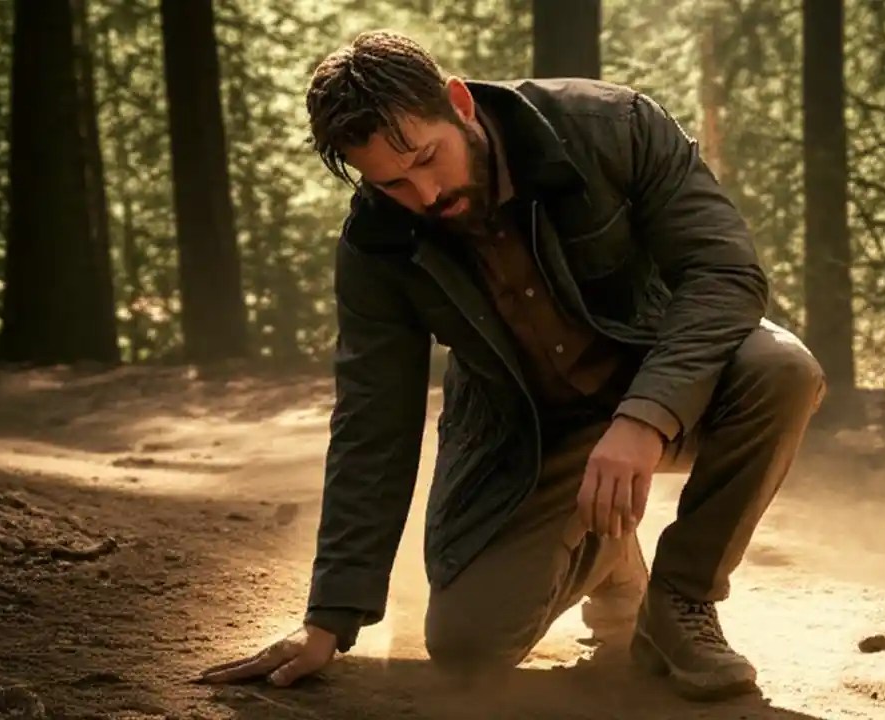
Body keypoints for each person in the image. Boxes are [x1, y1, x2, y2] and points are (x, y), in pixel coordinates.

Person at [199, 30, 826, 702]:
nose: (426, 192)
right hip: (524, 438)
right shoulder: (375, 246)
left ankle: (680, 601)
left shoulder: (612, 126)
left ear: (459, 103)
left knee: (782, 370)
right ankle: (611, 554)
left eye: (427, 158)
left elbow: (725, 272)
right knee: (469, 644)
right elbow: (371, 423)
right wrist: (328, 618)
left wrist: (645, 418)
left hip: (665, 385)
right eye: (394, 183)